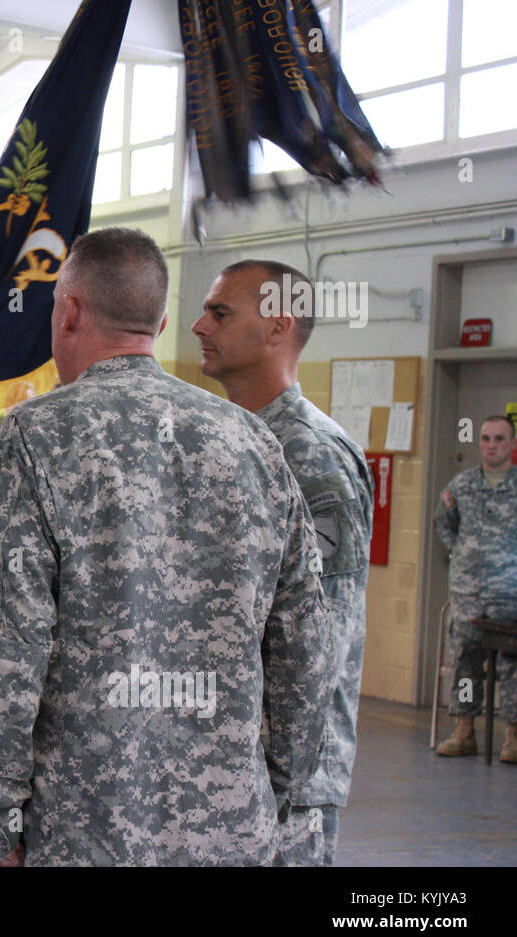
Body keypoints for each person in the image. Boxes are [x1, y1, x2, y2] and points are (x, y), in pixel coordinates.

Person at [0, 227, 334, 867]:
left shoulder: (36, 437)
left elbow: (1, 656)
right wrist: (276, 792)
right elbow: (304, 646)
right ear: (158, 325)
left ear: (67, 311)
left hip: (86, 830)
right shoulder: (253, 441)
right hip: (231, 828)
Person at [193, 259, 373, 865]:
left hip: (283, 786)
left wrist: (277, 775)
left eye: (220, 313)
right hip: (226, 765)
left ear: (277, 328)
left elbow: (325, 637)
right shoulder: (239, 440)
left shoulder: (311, 457)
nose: (198, 325)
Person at [433, 414, 517, 763]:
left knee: (513, 667)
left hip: (509, 596)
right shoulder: (461, 486)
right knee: (467, 665)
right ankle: (464, 731)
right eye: (485, 439)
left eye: (499, 439)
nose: (491, 445)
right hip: (468, 595)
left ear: (512, 445)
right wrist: (462, 555)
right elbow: (444, 525)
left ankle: (512, 738)